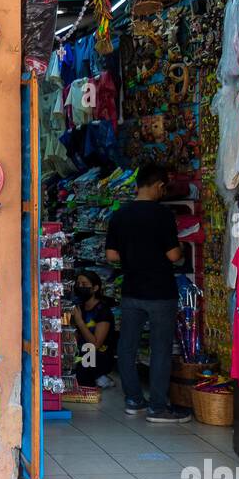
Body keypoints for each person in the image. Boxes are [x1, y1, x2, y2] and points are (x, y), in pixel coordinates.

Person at [104, 163, 190, 423]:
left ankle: (133, 399)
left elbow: (111, 256)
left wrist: (133, 259)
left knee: (127, 346)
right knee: (160, 349)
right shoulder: (162, 216)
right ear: (159, 186)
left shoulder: (120, 214)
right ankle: (157, 407)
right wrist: (182, 250)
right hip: (161, 292)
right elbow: (174, 255)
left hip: (132, 290)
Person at [70, 270, 115, 389]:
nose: (80, 287)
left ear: (95, 288)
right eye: (78, 284)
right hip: (81, 353)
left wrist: (79, 321)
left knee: (83, 381)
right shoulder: (79, 306)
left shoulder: (103, 311)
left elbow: (95, 344)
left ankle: (99, 376)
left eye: (84, 284)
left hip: (97, 355)